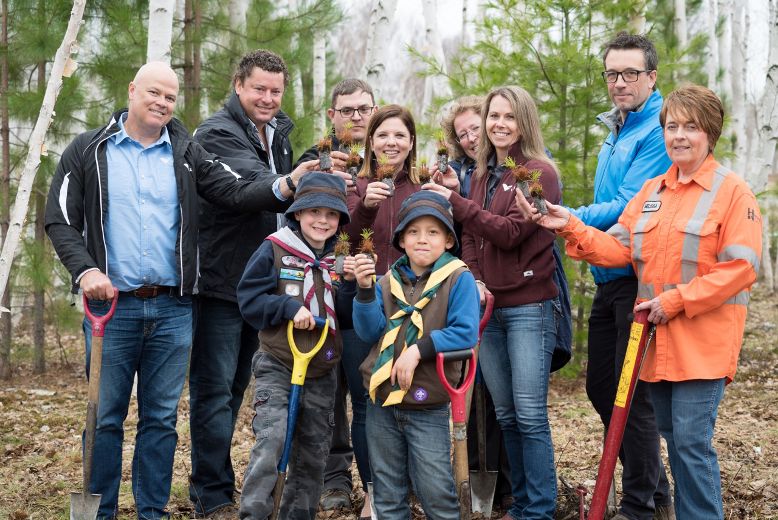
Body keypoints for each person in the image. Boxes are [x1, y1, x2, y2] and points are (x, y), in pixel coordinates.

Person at [44, 62, 292, 520]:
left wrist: (287, 184)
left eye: (170, 97)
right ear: (132, 89)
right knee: (105, 417)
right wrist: (85, 272)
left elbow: (234, 192)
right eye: (153, 93)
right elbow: (59, 218)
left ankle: (151, 511)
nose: (161, 103)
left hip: (174, 307)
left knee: (160, 420)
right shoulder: (87, 151)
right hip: (110, 307)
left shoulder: (186, 151)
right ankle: (99, 511)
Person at [516, 84, 762, 520]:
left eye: (690, 127)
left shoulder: (732, 193)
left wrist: (679, 301)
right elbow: (618, 249)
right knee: (673, 437)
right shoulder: (653, 191)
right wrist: (569, 224)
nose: (679, 136)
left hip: (702, 343)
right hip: (657, 344)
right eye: (671, 126)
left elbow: (740, 269)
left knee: (689, 445)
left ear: (711, 132)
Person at [188, 49, 319, 518]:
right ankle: (212, 493)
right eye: (259, 89)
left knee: (240, 385)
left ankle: (221, 486)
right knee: (215, 389)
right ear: (238, 86)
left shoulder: (276, 131)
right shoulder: (216, 133)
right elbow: (247, 188)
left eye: (276, 91)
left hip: (261, 284)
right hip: (222, 282)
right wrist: (290, 182)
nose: (268, 98)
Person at [425, 85, 561, 519]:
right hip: (490, 309)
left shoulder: (539, 173)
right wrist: (476, 279)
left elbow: (509, 232)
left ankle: (539, 508)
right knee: (505, 414)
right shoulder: (483, 175)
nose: (499, 124)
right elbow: (469, 238)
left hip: (528, 308)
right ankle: (521, 502)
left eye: (509, 117)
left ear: (524, 122)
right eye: (493, 116)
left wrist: (458, 202)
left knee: (530, 415)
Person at [570, 32, 673, 520]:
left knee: (630, 392)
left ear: (651, 77)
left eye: (631, 73)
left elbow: (629, 205)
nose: (619, 82)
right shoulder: (617, 128)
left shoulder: (655, 129)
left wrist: (570, 216)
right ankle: (654, 490)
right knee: (601, 388)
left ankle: (640, 504)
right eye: (612, 73)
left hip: (636, 273)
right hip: (609, 273)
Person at [236, 172, 357, 520]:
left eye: (331, 214)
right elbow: (249, 300)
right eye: (314, 211)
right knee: (272, 438)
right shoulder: (275, 248)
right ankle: (255, 513)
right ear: (298, 213)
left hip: (322, 368)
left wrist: (352, 287)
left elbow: (346, 316)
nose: (322, 220)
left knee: (313, 450)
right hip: (278, 362)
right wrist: (288, 308)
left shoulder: (340, 260)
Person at [351, 190, 479, 520]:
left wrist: (416, 351)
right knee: (388, 490)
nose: (422, 240)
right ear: (401, 240)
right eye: (413, 232)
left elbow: (465, 332)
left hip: (427, 401)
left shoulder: (457, 278)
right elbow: (369, 332)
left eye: (433, 232)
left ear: (449, 240)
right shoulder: (388, 280)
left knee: (435, 489)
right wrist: (364, 292)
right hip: (382, 400)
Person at [296, 78, 377, 516]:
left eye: (364, 108)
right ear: (332, 115)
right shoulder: (314, 160)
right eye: (347, 110)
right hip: (321, 290)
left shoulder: (386, 158)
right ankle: (332, 478)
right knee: (326, 392)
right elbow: (296, 222)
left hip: (368, 291)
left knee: (365, 392)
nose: (356, 117)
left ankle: (376, 485)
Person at [441, 95, 513, 510]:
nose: (470, 137)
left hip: (509, 290)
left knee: (501, 400)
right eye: (462, 132)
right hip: (473, 287)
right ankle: (472, 477)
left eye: (475, 128)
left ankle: (504, 486)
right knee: (476, 389)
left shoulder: (505, 170)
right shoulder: (461, 173)